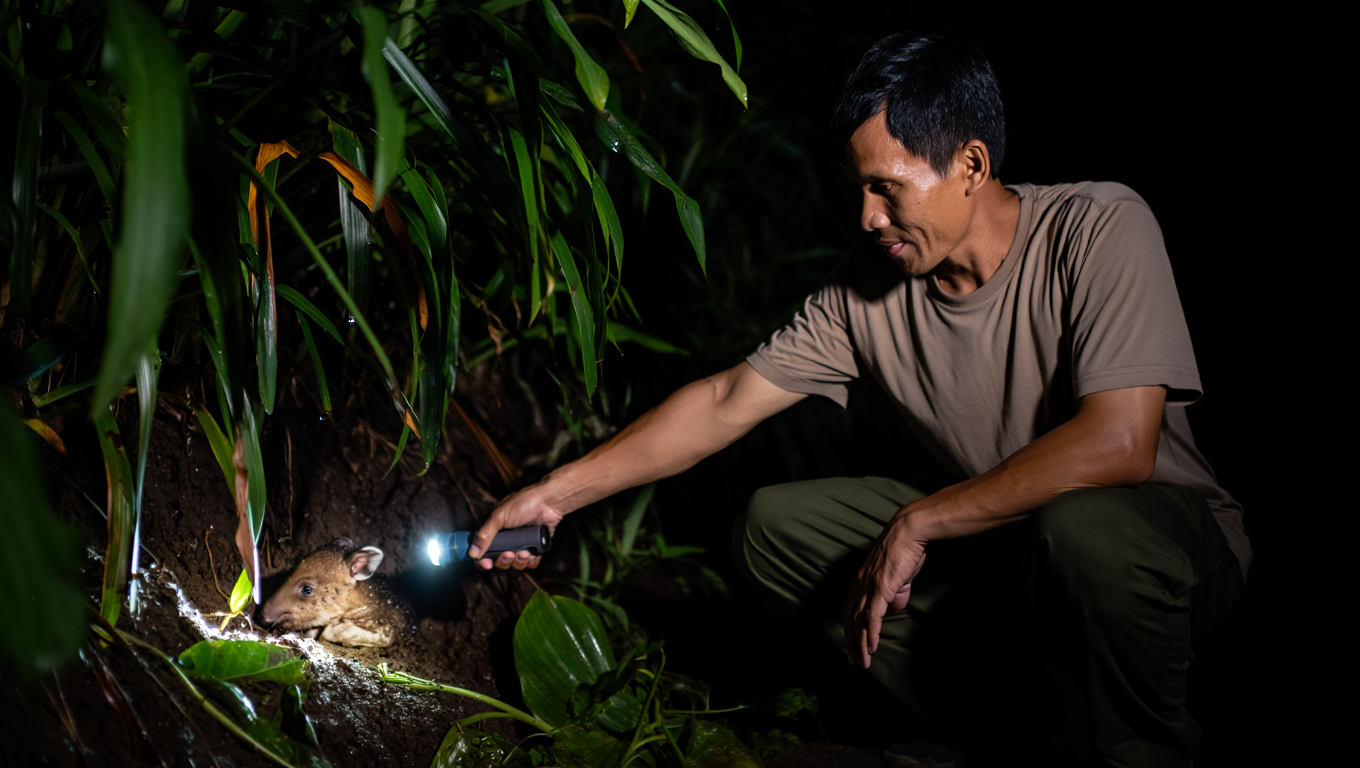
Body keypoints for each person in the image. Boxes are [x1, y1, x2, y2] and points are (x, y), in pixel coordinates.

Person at [469, 31, 1248, 767]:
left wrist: (923, 520)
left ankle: (1142, 751)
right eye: (860, 189)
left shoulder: (1098, 226)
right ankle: (1015, 724)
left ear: (971, 165)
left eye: (888, 187)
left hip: (1158, 545)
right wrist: (557, 494)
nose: (869, 217)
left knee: (1084, 530)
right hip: (1005, 548)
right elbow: (725, 400)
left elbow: (1120, 443)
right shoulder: (866, 290)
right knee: (774, 528)